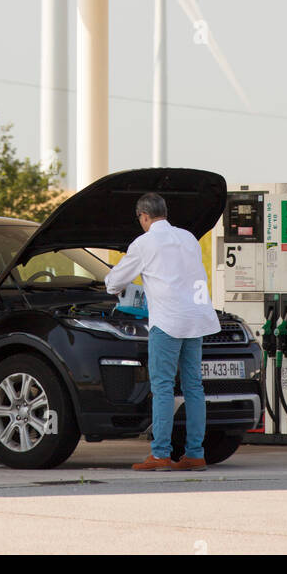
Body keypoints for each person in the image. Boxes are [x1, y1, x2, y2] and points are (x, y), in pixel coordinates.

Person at [105, 191, 220, 471]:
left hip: (167, 323)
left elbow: (114, 283)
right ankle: (195, 454)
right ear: (165, 212)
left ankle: (160, 454)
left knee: (163, 388)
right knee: (194, 388)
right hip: (196, 318)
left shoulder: (144, 243)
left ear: (144, 217)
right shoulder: (188, 238)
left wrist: (113, 280)